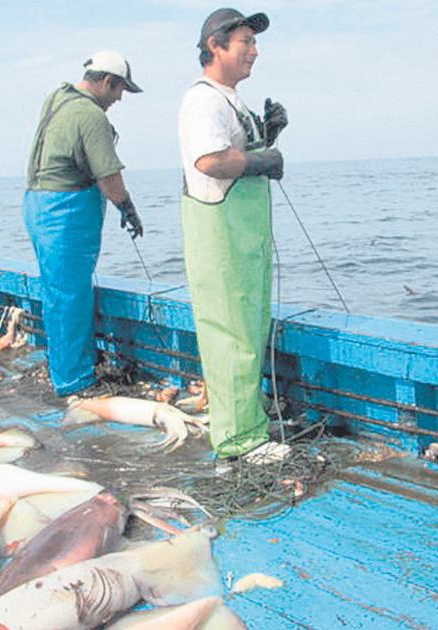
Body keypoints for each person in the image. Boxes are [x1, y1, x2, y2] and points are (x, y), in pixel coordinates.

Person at [177, 8, 290, 465]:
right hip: (220, 237)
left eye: (254, 42)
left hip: (243, 239)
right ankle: (239, 440)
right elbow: (209, 161)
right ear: (215, 46)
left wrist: (265, 136)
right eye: (245, 41)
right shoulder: (203, 100)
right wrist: (260, 161)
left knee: (248, 329)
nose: (254, 51)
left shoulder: (228, 99)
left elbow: (233, 150)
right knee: (231, 336)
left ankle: (249, 420)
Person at [24, 51, 145, 397]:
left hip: (38, 204)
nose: (120, 98)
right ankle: (74, 381)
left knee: (59, 292)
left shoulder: (58, 97)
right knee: (70, 296)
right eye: (120, 90)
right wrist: (127, 208)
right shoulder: (90, 114)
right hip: (64, 210)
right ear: (107, 82)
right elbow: (108, 175)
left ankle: (71, 365)